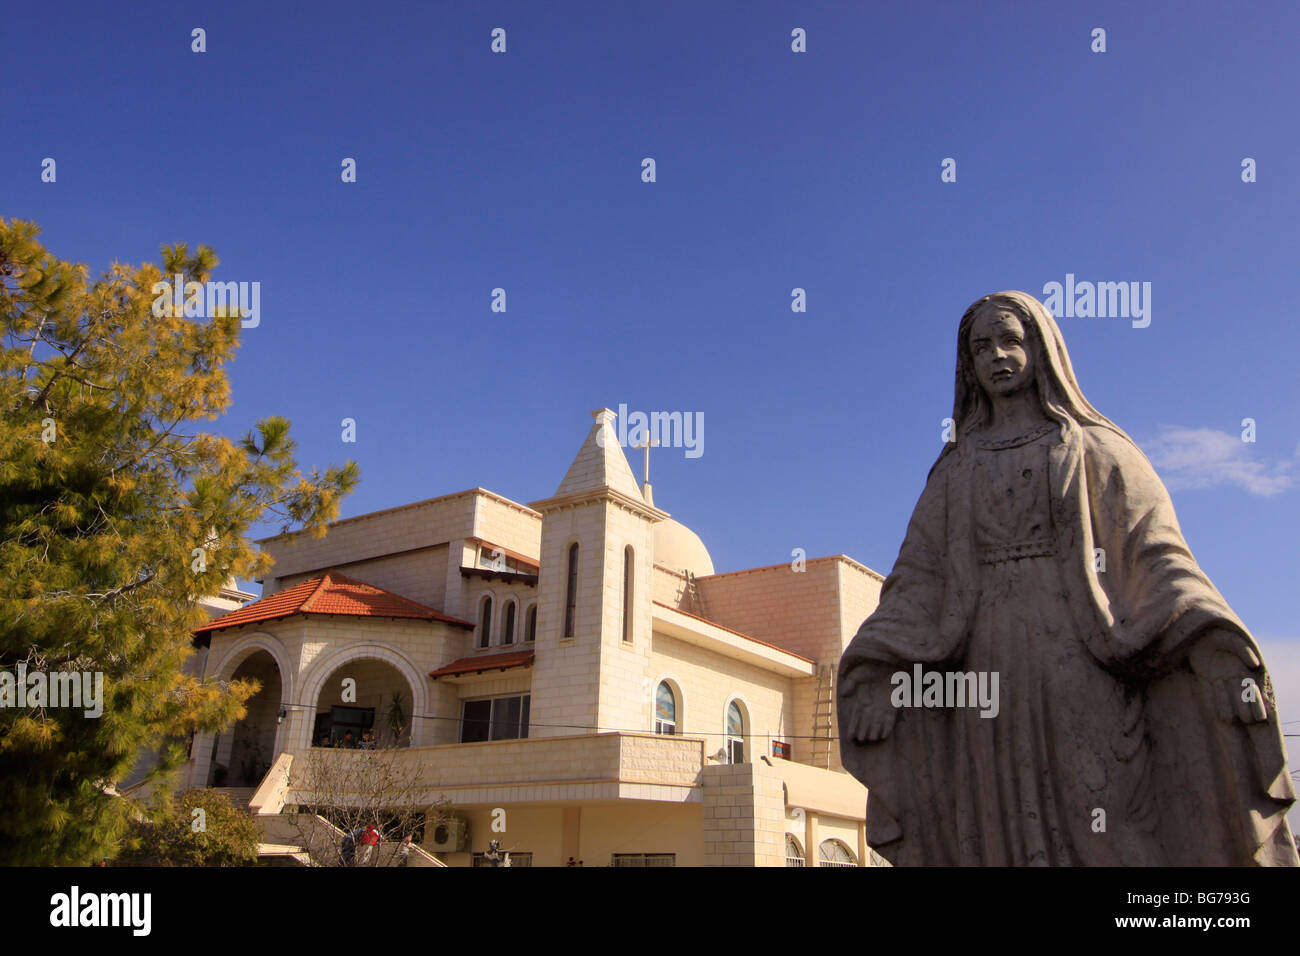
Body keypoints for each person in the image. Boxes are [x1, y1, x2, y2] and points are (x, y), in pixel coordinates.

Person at [837, 291, 1298, 866]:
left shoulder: (1097, 450)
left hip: (1082, 662)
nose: (997, 355)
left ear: (1042, 349)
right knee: (990, 823)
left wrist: (1216, 650)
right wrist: (882, 673)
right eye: (981, 347)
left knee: (1105, 814)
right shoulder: (955, 471)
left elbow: (1156, 556)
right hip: (984, 674)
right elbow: (914, 582)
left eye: (1011, 340)